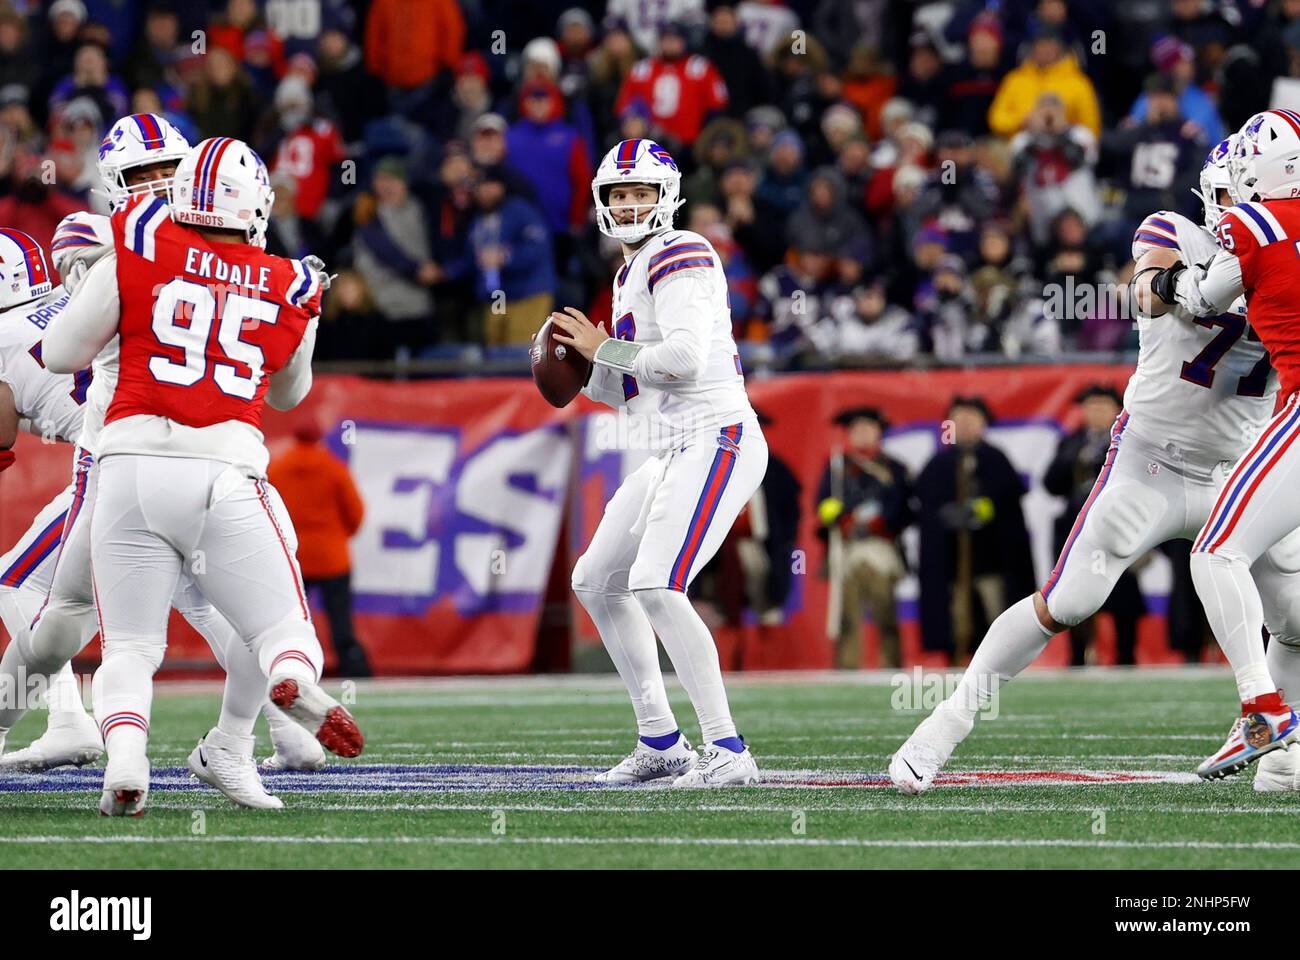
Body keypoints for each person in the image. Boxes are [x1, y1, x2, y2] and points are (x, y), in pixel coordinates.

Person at [891, 133, 1300, 794]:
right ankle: (943, 724)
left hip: (1245, 464)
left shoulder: (1279, 248)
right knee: (1068, 601)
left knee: (1298, 617)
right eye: (1225, 197)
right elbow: (1146, 292)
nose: (1235, 211)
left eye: (1246, 197)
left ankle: (1280, 755)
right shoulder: (1175, 231)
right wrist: (1187, 284)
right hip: (1153, 464)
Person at [0, 116, 327, 793]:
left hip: (125, 459)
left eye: (164, 174)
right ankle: (266, 729)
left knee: (97, 622)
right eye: (139, 178)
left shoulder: (131, 246)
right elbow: (290, 383)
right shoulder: (223, 258)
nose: (153, 189)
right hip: (212, 459)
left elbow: (59, 351)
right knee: (234, 605)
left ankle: (117, 735)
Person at [549, 137, 767, 786]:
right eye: (620, 194)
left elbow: (682, 361)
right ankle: (661, 741)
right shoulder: (627, 273)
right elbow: (636, 387)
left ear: (666, 196)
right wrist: (581, 372)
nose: (631, 203)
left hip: (717, 434)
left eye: (642, 192)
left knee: (657, 584)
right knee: (595, 579)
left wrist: (604, 349)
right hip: (674, 443)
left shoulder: (682, 251)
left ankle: (729, 751)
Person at [1156, 110, 1300, 781]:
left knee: (1216, 550)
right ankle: (1284, 765)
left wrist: (1168, 284)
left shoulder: (1254, 223)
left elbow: (1204, 298)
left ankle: (1264, 708)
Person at [913, 396, 1035, 664]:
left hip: (992, 563)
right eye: (959, 418)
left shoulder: (996, 460)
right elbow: (927, 509)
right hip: (954, 567)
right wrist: (948, 517)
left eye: (972, 418)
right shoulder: (939, 464)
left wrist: (985, 510)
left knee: (999, 619)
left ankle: (1006, 667)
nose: (966, 424)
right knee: (958, 624)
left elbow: (1010, 506)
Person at [1041, 385, 1146, 665]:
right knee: (1074, 596)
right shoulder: (1072, 442)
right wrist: (1072, 459)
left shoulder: (1130, 439)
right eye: (1090, 406)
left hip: (1117, 528)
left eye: (1102, 405)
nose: (1095, 412)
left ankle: (1126, 657)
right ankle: (1078, 657)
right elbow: (1051, 484)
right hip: (1079, 531)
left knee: (1123, 598)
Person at [268, 421, 370, 677]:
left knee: (290, 620)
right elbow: (355, 513)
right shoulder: (334, 469)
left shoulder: (278, 468)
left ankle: (289, 669)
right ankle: (353, 670)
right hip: (331, 557)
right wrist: (336, 537)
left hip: (292, 556)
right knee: (340, 622)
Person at [817, 407, 912, 669]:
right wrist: (837, 517)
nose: (862, 435)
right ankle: (847, 668)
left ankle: (891, 666)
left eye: (868, 429)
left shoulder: (895, 469)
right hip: (848, 549)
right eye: (856, 430)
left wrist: (879, 524)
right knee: (847, 616)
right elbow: (823, 504)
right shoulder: (837, 467)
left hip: (882, 548)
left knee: (886, 613)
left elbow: (904, 509)